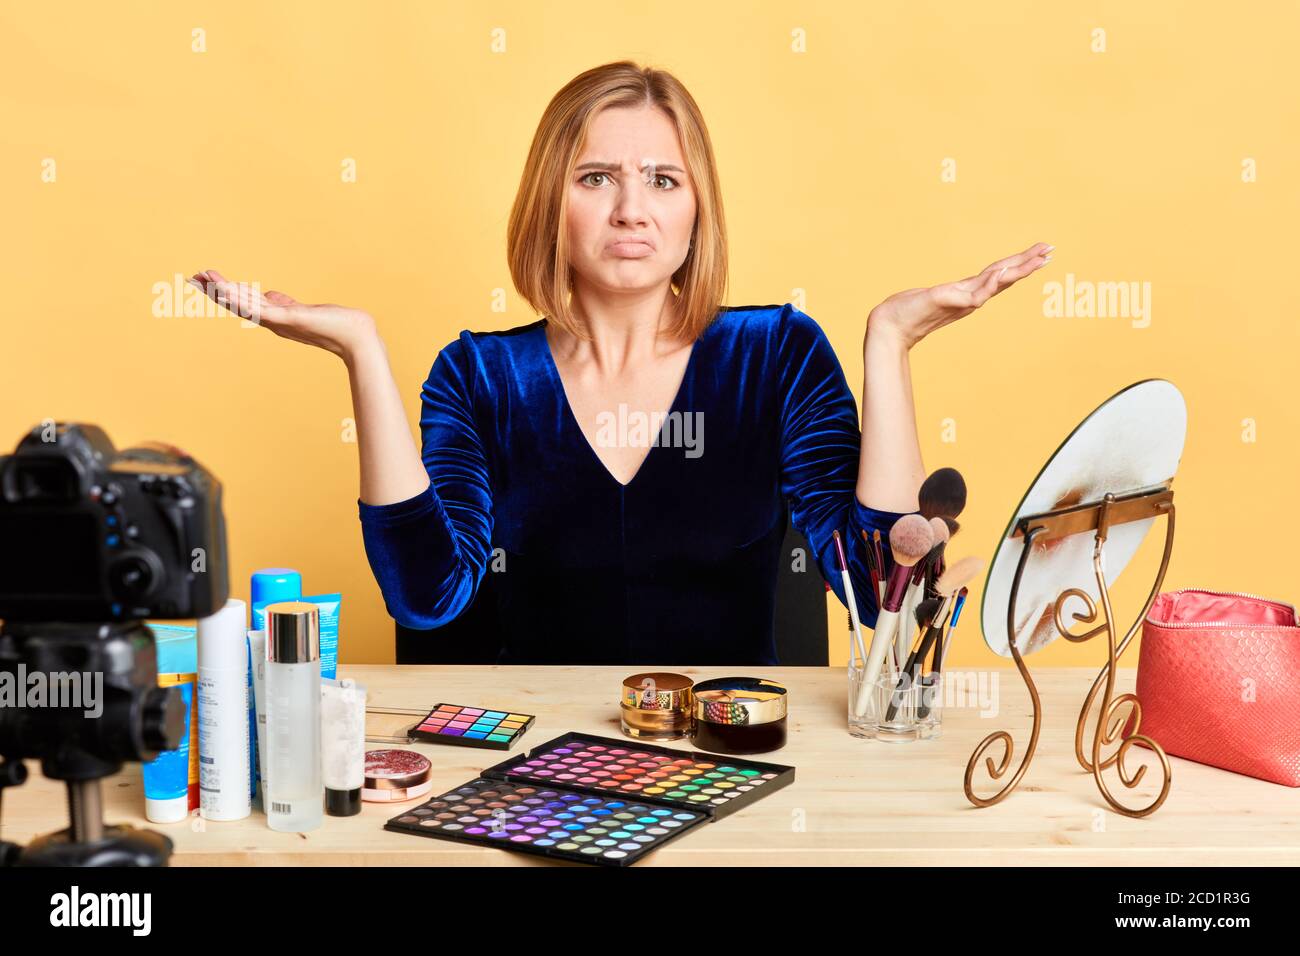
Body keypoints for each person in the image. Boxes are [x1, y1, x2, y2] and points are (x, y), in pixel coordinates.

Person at [191, 60, 1050, 664]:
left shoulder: (777, 355)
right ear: (550, 204)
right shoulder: (478, 378)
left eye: (664, 181)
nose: (632, 209)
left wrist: (890, 342)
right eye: (596, 178)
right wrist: (361, 350)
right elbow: (427, 596)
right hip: (543, 774)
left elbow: (877, 596)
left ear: (695, 213)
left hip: (741, 762)